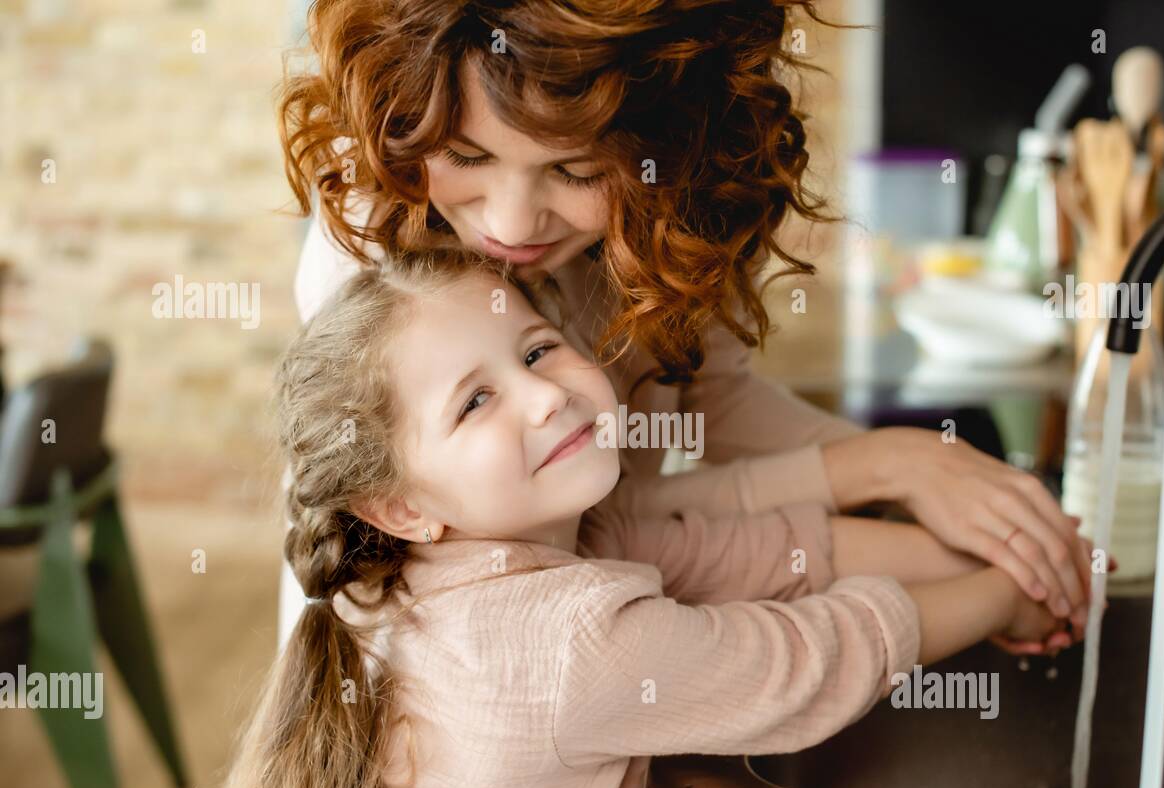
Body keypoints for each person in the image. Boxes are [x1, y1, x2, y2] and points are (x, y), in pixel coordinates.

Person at [173, 250, 1072, 788]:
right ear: (402, 506)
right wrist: (999, 598)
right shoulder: (561, 644)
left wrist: (1010, 557)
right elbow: (807, 660)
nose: (541, 396)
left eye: (535, 349)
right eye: (475, 401)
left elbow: (751, 551)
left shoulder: (490, 550)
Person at [275, 0, 1094, 655]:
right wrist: (884, 468)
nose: (511, 220)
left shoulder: (672, 209)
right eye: (468, 154)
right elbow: (599, 517)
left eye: (577, 170)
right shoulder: (371, 250)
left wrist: (918, 481)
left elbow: (716, 406)